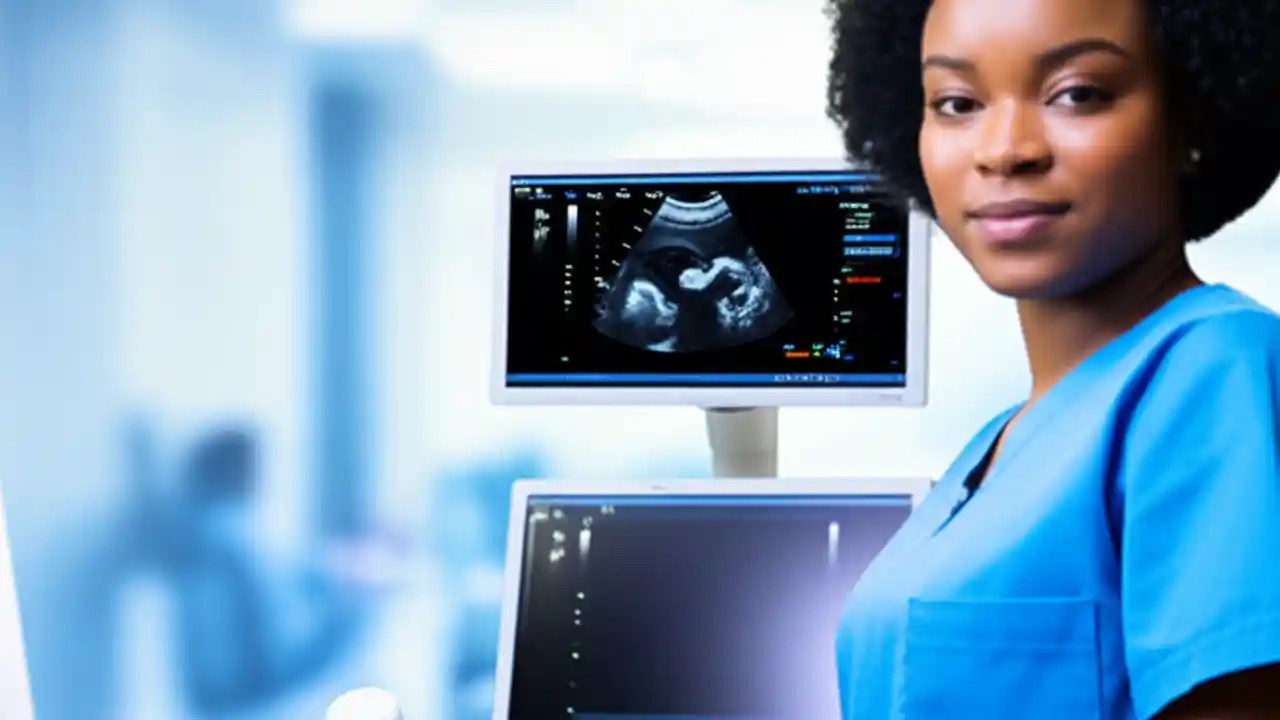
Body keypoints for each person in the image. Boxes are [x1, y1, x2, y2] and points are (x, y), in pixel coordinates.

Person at [824, 0, 1280, 718]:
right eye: (957, 103)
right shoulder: (1003, 442)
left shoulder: (1215, 371)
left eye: (1078, 94)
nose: (1005, 149)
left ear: (1192, 119)